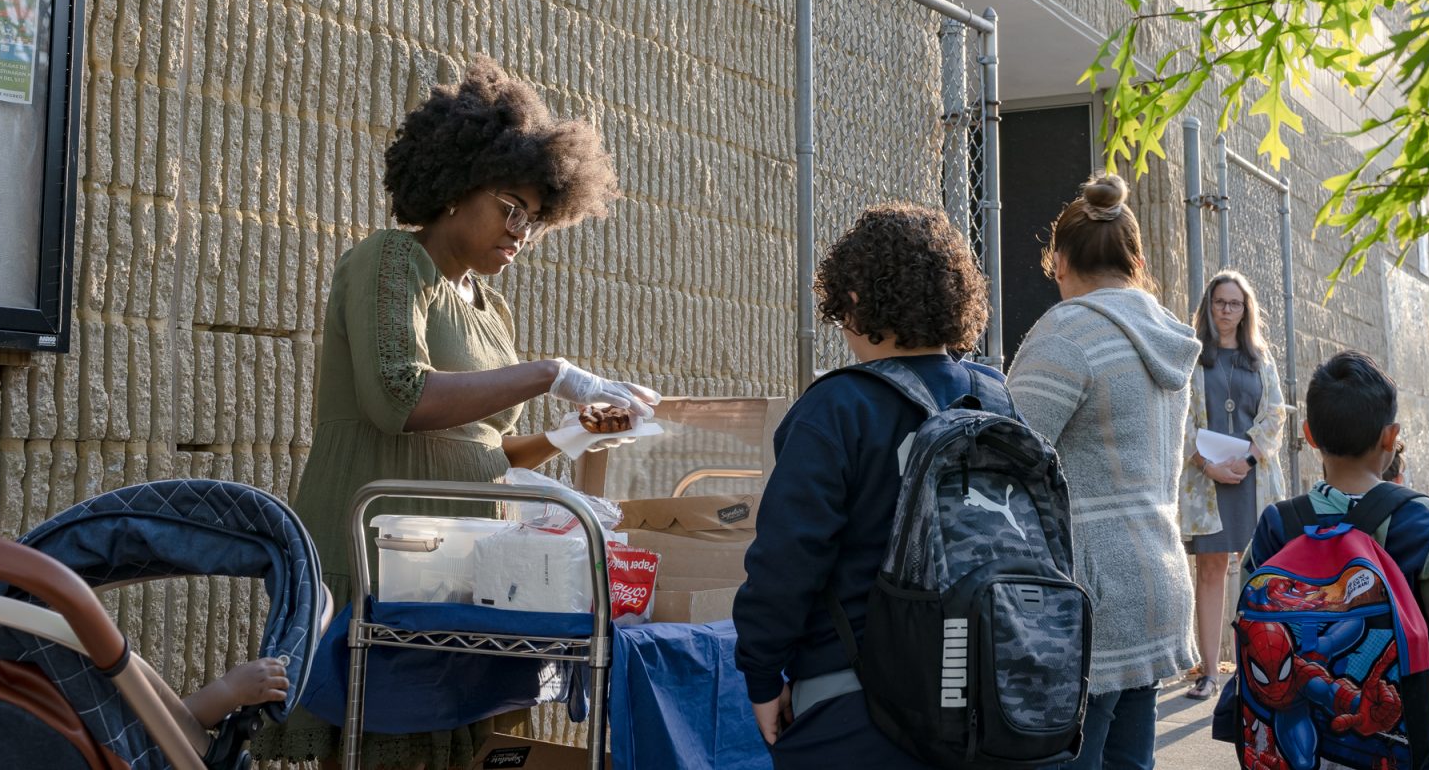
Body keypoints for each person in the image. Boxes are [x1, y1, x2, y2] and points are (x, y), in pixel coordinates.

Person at [256, 56, 651, 769]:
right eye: (510, 207)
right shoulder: (391, 264)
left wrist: (574, 429)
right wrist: (551, 374)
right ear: (454, 185)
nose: (522, 231)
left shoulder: (489, 307)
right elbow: (397, 400)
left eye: (535, 217)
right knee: (380, 750)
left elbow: (488, 450)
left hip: (461, 578)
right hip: (377, 562)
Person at [734, 202, 998, 766]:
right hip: (991, 688)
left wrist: (760, 674)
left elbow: (787, 560)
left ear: (852, 300)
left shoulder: (837, 407)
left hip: (857, 697)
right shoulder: (995, 399)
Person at [1007, 173, 1201, 770]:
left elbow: (1009, 456)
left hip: (1086, 598)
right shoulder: (1167, 339)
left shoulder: (1066, 334)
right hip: (1156, 584)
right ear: (1137, 262)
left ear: (1057, 263)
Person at [1246, 351, 1429, 733]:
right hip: (1403, 737)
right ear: (1391, 438)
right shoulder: (1422, 523)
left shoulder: (1277, 526)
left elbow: (1251, 623)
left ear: (1309, 435)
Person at [1178, 269, 1286, 701]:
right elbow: (1181, 417)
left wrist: (1244, 458)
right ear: (1208, 307)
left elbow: (1275, 413)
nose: (1227, 310)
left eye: (1235, 303)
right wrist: (1208, 466)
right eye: (1220, 302)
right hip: (1208, 480)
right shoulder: (1191, 357)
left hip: (1250, 477)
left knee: (1254, 571)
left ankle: (1253, 672)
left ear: (1246, 310)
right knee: (1209, 570)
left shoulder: (1261, 358)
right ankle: (1208, 671)